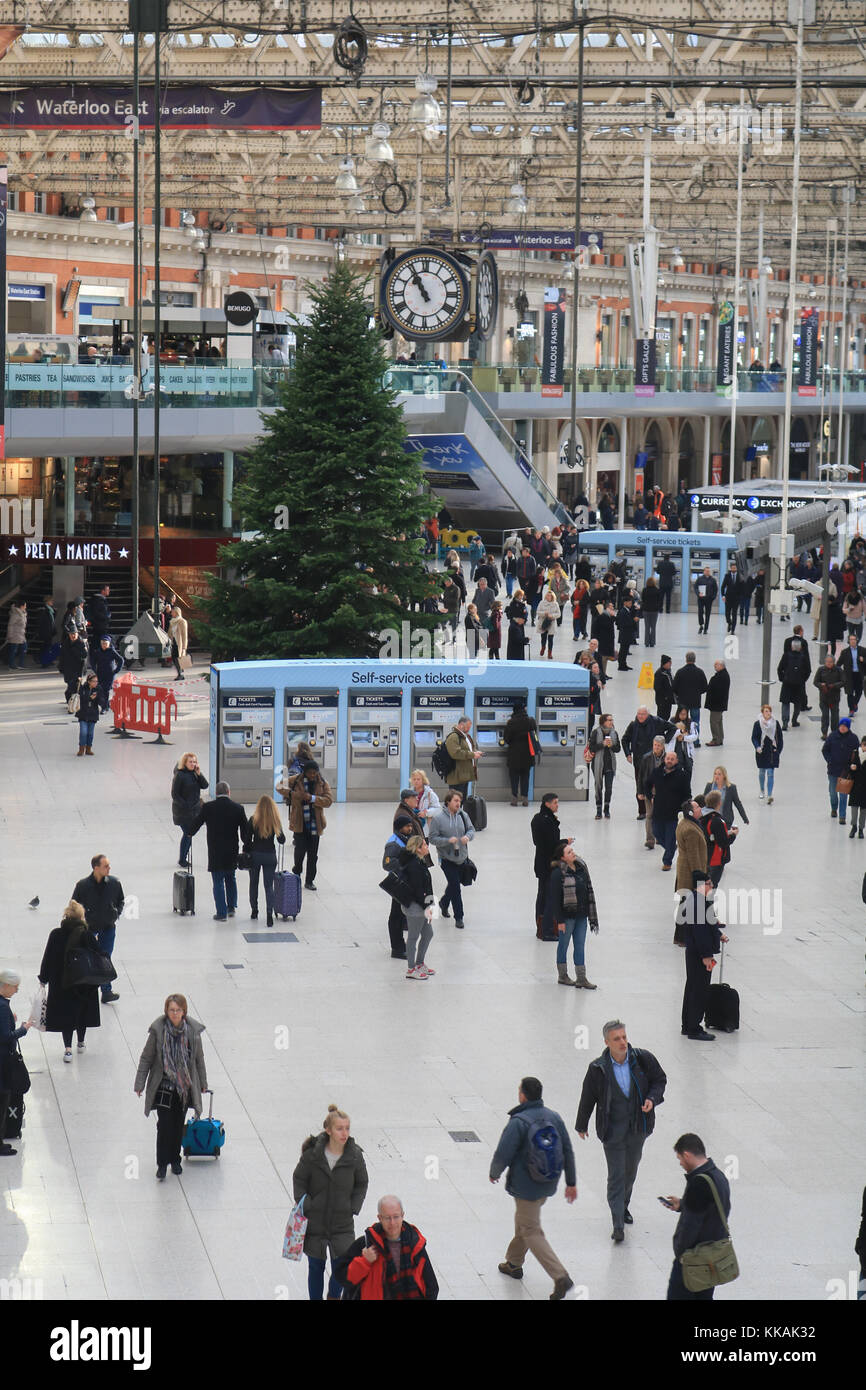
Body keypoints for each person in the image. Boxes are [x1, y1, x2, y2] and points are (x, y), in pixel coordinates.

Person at [575, 1020, 667, 1243]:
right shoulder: (598, 1068)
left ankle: (624, 1205)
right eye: (617, 1039)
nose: (623, 1042)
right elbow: (588, 1096)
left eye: (624, 1037)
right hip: (612, 1131)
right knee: (616, 1175)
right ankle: (617, 1223)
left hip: (638, 1127)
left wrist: (651, 1099)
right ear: (607, 1042)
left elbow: (660, 1080)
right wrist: (582, 1124)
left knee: (630, 1171)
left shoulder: (642, 1059)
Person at [490, 1076, 576, 1299]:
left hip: (526, 1186)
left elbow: (504, 1152)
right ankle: (514, 1263)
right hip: (547, 1182)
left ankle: (560, 1276)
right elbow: (567, 1149)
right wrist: (571, 1182)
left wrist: (494, 1172)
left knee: (531, 1230)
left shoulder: (519, 1121)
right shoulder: (553, 1117)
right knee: (524, 1221)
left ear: (523, 1095)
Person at [293, 1104, 369, 1301]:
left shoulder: (354, 1156)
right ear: (328, 1130)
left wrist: (353, 1206)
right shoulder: (313, 1155)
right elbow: (299, 1179)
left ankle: (333, 1297)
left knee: (342, 1266)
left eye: (347, 1128)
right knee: (315, 1267)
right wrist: (307, 1203)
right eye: (339, 1128)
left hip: (342, 1223)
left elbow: (362, 1182)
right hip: (316, 1221)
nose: (344, 1133)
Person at [133, 993, 209, 1181]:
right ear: (166, 1011)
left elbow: (199, 1059)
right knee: (164, 1126)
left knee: (177, 1125)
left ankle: (175, 1159)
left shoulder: (192, 1032)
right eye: (171, 1010)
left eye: (178, 1010)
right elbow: (146, 1058)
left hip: (183, 1088)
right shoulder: (158, 1031)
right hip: (164, 1086)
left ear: (184, 1012)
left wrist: (203, 1083)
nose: (174, 1014)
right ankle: (162, 1164)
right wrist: (139, 1083)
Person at [664, 1133, 732, 1300]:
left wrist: (680, 1253)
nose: (680, 1163)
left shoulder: (698, 1184)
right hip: (712, 1259)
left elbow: (690, 1226)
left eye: (680, 1159)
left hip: (693, 1261)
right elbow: (718, 1208)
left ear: (687, 1155)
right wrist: (683, 1204)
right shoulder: (718, 1176)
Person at [336, 1195, 439, 1300]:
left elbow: (432, 1286)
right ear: (379, 1218)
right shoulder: (366, 1244)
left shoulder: (414, 1244)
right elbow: (342, 1278)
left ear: (402, 1215)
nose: (392, 1223)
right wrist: (364, 1262)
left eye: (396, 1217)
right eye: (387, 1218)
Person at [38, 901, 101, 1063]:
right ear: (81, 917)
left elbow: (48, 957)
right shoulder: (87, 935)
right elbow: (99, 955)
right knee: (82, 1013)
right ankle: (80, 1042)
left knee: (66, 1015)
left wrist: (43, 978)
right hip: (83, 984)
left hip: (61, 983)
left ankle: (67, 1049)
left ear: (65, 916)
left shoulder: (56, 934)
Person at [190, 780, 249, 920]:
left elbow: (197, 823)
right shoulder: (238, 808)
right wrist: (247, 844)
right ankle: (231, 907)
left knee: (217, 881)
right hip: (232, 850)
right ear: (229, 792)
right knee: (231, 878)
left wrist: (189, 832)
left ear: (216, 793)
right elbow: (245, 832)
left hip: (215, 850)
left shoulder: (208, 808)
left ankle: (221, 913)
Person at [71, 855, 123, 1003]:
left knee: (105, 957)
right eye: (106, 866)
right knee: (87, 957)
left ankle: (106, 991)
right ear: (96, 868)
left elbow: (121, 900)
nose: (109, 868)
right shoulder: (83, 885)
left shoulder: (114, 883)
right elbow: (75, 904)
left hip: (107, 926)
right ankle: (87, 989)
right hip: (89, 928)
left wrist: (116, 913)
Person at [548, 841, 599, 988]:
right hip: (567, 917)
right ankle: (562, 975)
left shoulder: (581, 868)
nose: (573, 853)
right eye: (569, 852)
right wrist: (560, 920)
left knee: (580, 945)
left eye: (572, 851)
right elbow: (555, 899)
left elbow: (587, 889)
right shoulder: (558, 874)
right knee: (563, 944)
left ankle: (581, 977)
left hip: (581, 915)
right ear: (562, 858)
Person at [280, 759, 333, 891]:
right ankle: (297, 873)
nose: (312, 775)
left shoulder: (322, 783)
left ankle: (310, 880)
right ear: (305, 772)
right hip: (300, 823)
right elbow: (279, 786)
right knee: (299, 852)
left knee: (313, 855)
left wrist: (313, 798)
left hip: (316, 824)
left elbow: (329, 800)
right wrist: (294, 795)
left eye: (315, 773)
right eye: (310, 773)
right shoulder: (296, 779)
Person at [428, 789, 474, 930]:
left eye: (459, 801)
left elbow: (471, 829)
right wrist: (448, 840)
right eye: (455, 800)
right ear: (448, 802)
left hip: (462, 857)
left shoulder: (463, 815)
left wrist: (468, 836)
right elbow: (432, 838)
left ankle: (443, 903)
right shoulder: (438, 819)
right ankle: (459, 917)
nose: (458, 803)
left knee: (454, 885)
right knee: (455, 887)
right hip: (447, 859)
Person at [0, 970, 34, 1155]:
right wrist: (23, 1029)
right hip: (3, 1061)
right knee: (2, 1101)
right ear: (5, 986)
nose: (16, 990)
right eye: (15, 987)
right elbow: (5, 1037)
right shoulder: (3, 1007)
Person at [398, 835, 436, 980]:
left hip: (422, 905)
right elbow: (418, 890)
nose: (427, 847)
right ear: (418, 849)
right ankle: (411, 968)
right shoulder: (414, 865)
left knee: (428, 934)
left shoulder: (420, 862)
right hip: (416, 908)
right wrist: (427, 907)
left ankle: (419, 963)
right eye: (425, 845)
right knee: (413, 937)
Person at [531, 793, 569, 937]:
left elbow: (539, 842)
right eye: (555, 803)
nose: (557, 805)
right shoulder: (548, 821)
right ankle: (546, 930)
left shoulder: (537, 818)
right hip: (549, 863)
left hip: (540, 862)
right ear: (547, 804)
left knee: (542, 895)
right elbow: (551, 844)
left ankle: (540, 926)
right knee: (549, 896)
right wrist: (565, 841)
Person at [244, 795, 286, 926]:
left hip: (255, 855)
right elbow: (282, 840)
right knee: (269, 886)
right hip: (270, 856)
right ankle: (269, 914)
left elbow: (246, 839)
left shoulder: (253, 820)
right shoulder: (275, 821)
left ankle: (254, 910)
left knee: (253, 883)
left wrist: (249, 848)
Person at [650, 752, 693, 871]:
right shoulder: (656, 772)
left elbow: (687, 793)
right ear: (664, 759)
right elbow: (647, 784)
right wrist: (650, 796)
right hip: (658, 811)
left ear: (676, 761)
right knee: (656, 832)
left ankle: (667, 861)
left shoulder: (683, 775)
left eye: (672, 759)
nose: (669, 761)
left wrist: (686, 806)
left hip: (674, 813)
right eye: (668, 758)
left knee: (670, 837)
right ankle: (670, 848)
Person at [622, 706, 667, 819]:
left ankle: (657, 809)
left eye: (643, 714)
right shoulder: (633, 725)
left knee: (658, 784)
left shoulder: (655, 721)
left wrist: (665, 741)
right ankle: (642, 811)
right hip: (638, 760)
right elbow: (625, 739)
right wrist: (628, 753)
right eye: (639, 714)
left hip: (654, 758)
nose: (640, 716)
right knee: (640, 784)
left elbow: (671, 727)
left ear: (647, 715)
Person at [171, 751, 208, 868]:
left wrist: (199, 773)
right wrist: (185, 805)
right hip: (183, 812)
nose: (193, 764)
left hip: (194, 810)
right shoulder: (180, 775)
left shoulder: (195, 774)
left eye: (194, 762)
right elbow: (175, 794)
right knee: (188, 833)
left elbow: (205, 785)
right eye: (190, 762)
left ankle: (183, 857)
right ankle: (182, 859)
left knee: (189, 834)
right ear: (185, 763)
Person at [822, 715, 859, 825]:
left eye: (845, 726)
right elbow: (825, 750)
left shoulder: (853, 739)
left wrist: (853, 765)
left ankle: (842, 816)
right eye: (841, 726)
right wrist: (829, 760)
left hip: (845, 771)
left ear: (848, 727)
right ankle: (834, 808)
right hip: (833, 770)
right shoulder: (832, 736)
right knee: (833, 793)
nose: (842, 728)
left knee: (843, 795)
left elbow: (856, 753)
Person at [503, 700, 539, 806]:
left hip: (514, 755)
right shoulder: (530, 721)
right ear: (523, 709)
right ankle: (525, 798)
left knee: (514, 777)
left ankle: (514, 798)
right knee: (525, 776)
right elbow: (534, 735)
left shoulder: (511, 722)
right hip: (528, 755)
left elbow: (507, 739)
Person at [701, 791, 738, 889]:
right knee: (712, 884)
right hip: (716, 857)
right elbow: (723, 842)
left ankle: (702, 901)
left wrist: (727, 832)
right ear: (719, 803)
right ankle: (707, 903)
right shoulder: (717, 820)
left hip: (704, 855)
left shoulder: (702, 816)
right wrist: (733, 835)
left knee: (704, 883)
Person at [777, 627, 812, 729]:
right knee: (797, 702)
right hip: (799, 682)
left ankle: (784, 722)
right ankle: (794, 720)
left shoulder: (786, 654)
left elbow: (780, 668)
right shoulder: (803, 657)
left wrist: (782, 678)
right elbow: (808, 670)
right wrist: (803, 679)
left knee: (785, 702)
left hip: (787, 682)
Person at [588, 713, 620, 819]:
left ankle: (606, 809)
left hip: (610, 765)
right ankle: (598, 810)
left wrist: (611, 745)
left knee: (609, 788)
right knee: (598, 787)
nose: (611, 722)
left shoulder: (614, 733)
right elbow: (592, 747)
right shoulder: (595, 732)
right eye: (609, 720)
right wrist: (602, 744)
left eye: (612, 720)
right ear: (603, 721)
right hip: (598, 764)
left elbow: (618, 749)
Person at [673, 652, 708, 747]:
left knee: (681, 721)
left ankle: (681, 737)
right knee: (695, 721)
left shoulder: (680, 672)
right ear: (694, 659)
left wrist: (680, 694)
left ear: (686, 659)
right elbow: (705, 687)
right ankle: (695, 741)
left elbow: (674, 687)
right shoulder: (700, 672)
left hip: (683, 702)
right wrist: (697, 693)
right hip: (695, 701)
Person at [639, 735, 667, 850]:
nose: (656, 747)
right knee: (649, 815)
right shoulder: (646, 758)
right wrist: (640, 791)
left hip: (664, 791)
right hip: (649, 790)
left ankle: (660, 837)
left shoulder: (668, 758)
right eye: (655, 745)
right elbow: (641, 776)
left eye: (658, 745)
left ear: (663, 746)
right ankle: (650, 840)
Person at [444, 715, 482, 800]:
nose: (469, 729)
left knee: (462, 800)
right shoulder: (454, 737)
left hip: (464, 775)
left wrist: (475, 752)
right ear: (461, 725)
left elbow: (469, 749)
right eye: (467, 727)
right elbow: (455, 753)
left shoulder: (465, 737)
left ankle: (459, 813)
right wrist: (472, 755)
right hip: (456, 776)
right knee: (454, 800)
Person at [751, 704, 783, 803]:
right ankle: (762, 790)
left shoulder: (775, 723)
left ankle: (769, 794)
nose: (768, 713)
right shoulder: (757, 724)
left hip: (771, 752)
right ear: (762, 713)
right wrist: (757, 746)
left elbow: (780, 738)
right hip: (761, 751)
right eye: (766, 711)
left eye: (769, 711)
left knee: (770, 773)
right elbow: (754, 737)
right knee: (761, 772)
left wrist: (778, 750)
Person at [814, 652, 845, 737]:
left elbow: (843, 682)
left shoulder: (839, 670)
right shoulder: (821, 670)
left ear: (834, 662)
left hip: (835, 698)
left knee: (835, 717)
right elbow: (815, 682)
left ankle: (834, 733)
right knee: (825, 716)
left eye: (830, 662)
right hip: (824, 698)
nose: (829, 663)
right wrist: (821, 685)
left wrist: (834, 685)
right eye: (827, 661)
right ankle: (824, 733)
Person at [837, 632, 866, 717]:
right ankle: (851, 709)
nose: (853, 641)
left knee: (859, 692)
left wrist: (863, 660)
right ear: (848, 641)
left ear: (857, 640)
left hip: (859, 674)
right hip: (849, 675)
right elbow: (839, 663)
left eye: (854, 639)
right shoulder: (845, 652)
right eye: (851, 640)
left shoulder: (862, 650)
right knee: (849, 693)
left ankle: (854, 704)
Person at [94, 635, 124, 714]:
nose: (104, 645)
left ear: (108, 644)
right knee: (100, 690)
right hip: (100, 674)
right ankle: (106, 705)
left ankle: (104, 708)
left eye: (105, 644)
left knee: (106, 690)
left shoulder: (111, 651)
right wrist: (95, 670)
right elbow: (93, 661)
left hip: (110, 674)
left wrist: (116, 670)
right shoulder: (98, 651)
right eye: (102, 643)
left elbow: (121, 660)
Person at [704, 659, 730, 747]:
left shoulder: (721, 677)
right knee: (718, 721)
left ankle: (716, 739)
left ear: (721, 666)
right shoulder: (722, 675)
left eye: (716, 665)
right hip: (719, 704)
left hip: (717, 705)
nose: (714, 666)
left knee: (714, 722)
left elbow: (717, 691)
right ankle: (720, 738)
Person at [59, 628, 87, 704]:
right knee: (70, 685)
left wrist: (83, 671)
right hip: (68, 668)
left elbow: (84, 656)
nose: (73, 635)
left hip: (77, 669)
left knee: (76, 686)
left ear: (77, 634)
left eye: (74, 634)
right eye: (71, 634)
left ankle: (75, 702)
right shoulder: (66, 643)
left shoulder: (81, 643)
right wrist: (61, 666)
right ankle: (71, 701)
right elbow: (62, 656)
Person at [85, 582, 112, 663]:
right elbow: (96, 613)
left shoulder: (101, 600)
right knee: (97, 642)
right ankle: (96, 658)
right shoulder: (97, 600)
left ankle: (96, 658)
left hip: (101, 625)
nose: (109, 591)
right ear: (102, 591)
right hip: (99, 625)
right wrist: (106, 616)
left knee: (97, 641)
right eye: (107, 590)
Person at [409, 768, 440, 835]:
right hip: (411, 827)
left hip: (424, 828)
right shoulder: (409, 793)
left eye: (418, 779)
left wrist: (426, 813)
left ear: (423, 780)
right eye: (414, 779)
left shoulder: (430, 793)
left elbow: (438, 809)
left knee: (424, 845)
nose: (416, 781)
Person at [847, 736, 866, 838]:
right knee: (854, 809)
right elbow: (849, 765)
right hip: (855, 787)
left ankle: (861, 829)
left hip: (864, 789)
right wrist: (851, 768)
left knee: (863, 811)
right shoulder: (855, 753)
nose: (865, 747)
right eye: (864, 745)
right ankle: (854, 826)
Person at [505, 590, 529, 660]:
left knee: (519, 638)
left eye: (522, 595)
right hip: (515, 623)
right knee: (516, 638)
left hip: (520, 623)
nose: (521, 597)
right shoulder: (514, 603)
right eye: (520, 595)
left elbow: (525, 613)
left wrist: (524, 618)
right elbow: (512, 613)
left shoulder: (522, 603)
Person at [3, 600, 27, 669]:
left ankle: (21, 664)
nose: (26, 607)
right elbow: (10, 625)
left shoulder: (23, 613)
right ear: (21, 606)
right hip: (15, 635)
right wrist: (9, 635)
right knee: (14, 650)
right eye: (25, 605)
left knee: (24, 648)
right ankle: (12, 665)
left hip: (21, 635)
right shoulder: (16, 614)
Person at [168, 605, 190, 681]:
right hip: (173, 642)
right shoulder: (172, 622)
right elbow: (170, 633)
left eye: (173, 612)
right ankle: (180, 672)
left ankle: (180, 674)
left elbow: (184, 635)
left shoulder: (182, 621)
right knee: (174, 658)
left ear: (177, 612)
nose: (171, 613)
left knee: (179, 658)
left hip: (179, 643)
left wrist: (184, 646)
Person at [693, 566, 718, 633]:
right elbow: (695, 587)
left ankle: (706, 629)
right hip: (701, 599)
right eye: (706, 571)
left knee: (708, 614)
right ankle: (701, 625)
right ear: (704, 572)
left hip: (709, 600)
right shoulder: (700, 579)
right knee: (700, 612)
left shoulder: (713, 580)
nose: (707, 572)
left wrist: (713, 597)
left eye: (708, 571)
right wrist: (698, 594)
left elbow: (716, 589)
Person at [720, 562, 742, 634]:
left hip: (736, 599)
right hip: (728, 598)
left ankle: (733, 630)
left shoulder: (740, 576)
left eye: (735, 568)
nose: (734, 569)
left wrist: (741, 596)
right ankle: (729, 623)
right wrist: (723, 595)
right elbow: (723, 586)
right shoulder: (727, 576)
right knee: (727, 613)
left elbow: (743, 587)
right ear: (730, 568)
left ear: (736, 568)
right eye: (732, 568)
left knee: (734, 614)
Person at [640, 576, 662, 647]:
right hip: (654, 611)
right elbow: (659, 600)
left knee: (647, 627)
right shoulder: (657, 590)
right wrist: (658, 607)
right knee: (653, 627)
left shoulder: (644, 590)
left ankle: (646, 642)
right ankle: (652, 643)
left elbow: (642, 599)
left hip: (646, 610)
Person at [36, 595, 58, 667]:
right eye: (51, 601)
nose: (52, 602)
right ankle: (44, 660)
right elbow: (43, 622)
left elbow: (52, 619)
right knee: (46, 646)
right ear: (47, 601)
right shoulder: (44, 610)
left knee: (47, 646)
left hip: (49, 631)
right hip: (46, 631)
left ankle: (46, 660)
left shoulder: (50, 610)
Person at [654, 654, 675, 721]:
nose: (671, 664)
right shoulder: (659, 673)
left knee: (667, 716)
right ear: (665, 663)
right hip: (662, 701)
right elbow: (657, 687)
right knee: (661, 716)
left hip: (668, 700)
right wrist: (665, 696)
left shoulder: (668, 672)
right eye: (669, 662)